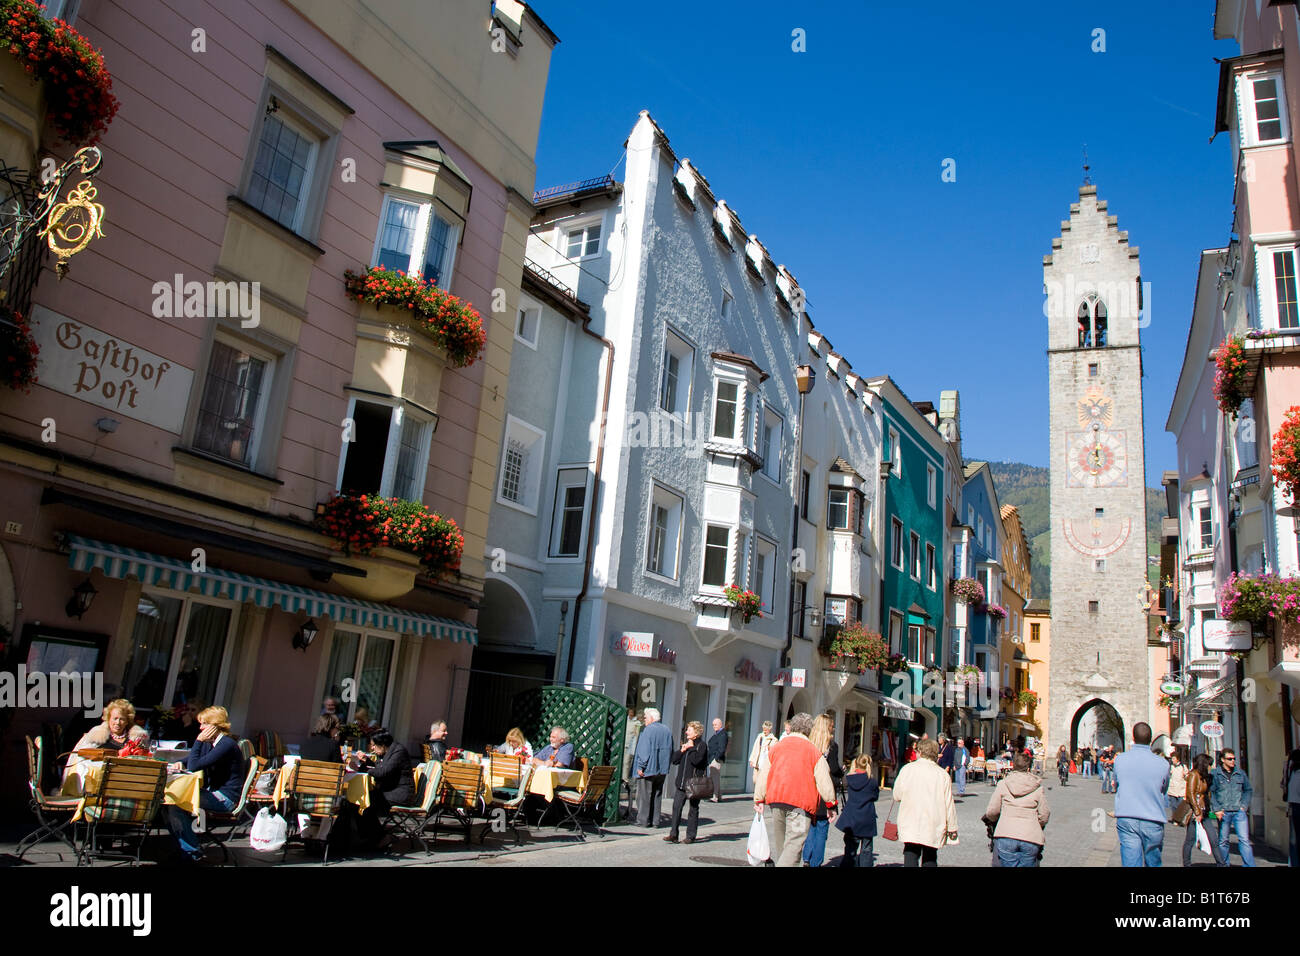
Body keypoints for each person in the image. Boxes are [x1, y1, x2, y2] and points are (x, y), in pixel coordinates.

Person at [164, 706, 246, 863]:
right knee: (166, 803)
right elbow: (191, 760)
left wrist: (198, 741)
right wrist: (180, 763)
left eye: (204, 724)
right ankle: (186, 847)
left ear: (215, 725)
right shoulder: (213, 742)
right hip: (212, 793)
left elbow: (195, 766)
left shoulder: (226, 745)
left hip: (225, 798)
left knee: (176, 803)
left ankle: (192, 852)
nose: (200, 728)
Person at [753, 712, 836, 867]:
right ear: (809, 730)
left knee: (782, 845)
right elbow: (824, 780)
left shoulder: (778, 747)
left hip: (776, 800)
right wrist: (831, 804)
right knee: (794, 846)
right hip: (800, 804)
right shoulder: (813, 751)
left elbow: (764, 773)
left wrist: (759, 798)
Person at [892, 738, 958, 867]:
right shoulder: (942, 775)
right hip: (933, 822)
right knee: (930, 856)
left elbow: (897, 795)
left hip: (911, 819)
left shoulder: (907, 769)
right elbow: (948, 804)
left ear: (920, 752)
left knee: (910, 853)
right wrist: (952, 827)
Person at [1112, 722, 1170, 867]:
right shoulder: (1163, 764)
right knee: (1153, 862)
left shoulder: (1120, 760)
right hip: (1153, 818)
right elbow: (1164, 788)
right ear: (1151, 739)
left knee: (1131, 862)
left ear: (1133, 737)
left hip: (1127, 817)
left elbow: (1116, 783)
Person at [985, 749, 1050, 866]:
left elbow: (992, 811)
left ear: (1013, 766)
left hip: (1006, 834)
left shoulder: (1003, 784)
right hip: (1030, 837)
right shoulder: (1037, 788)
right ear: (1029, 768)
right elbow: (1044, 815)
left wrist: (998, 820)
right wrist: (1035, 823)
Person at [353, 728, 414, 846]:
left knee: (366, 802)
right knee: (361, 800)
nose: (372, 748)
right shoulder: (390, 751)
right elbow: (380, 768)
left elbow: (384, 772)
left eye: (373, 745)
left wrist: (366, 769)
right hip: (391, 790)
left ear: (382, 744)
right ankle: (372, 836)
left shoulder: (398, 751)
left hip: (401, 793)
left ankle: (380, 837)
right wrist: (367, 761)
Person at [801, 714, 843, 866]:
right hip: (824, 791)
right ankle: (816, 862)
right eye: (832, 726)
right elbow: (833, 769)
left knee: (811, 825)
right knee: (821, 828)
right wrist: (841, 771)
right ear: (828, 727)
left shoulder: (809, 744)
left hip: (808, 789)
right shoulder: (831, 746)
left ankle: (806, 857)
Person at [665, 720, 709, 844]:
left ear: (696, 733)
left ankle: (690, 836)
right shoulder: (686, 745)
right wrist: (682, 750)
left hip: (694, 784)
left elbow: (697, 761)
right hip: (681, 783)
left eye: (689, 730)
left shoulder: (702, 746)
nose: (686, 732)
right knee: (676, 807)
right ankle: (673, 834)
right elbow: (674, 760)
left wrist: (691, 749)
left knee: (693, 809)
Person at [1209, 748, 1255, 867]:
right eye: (1230, 759)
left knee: (1244, 840)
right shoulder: (1215, 774)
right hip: (1223, 811)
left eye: (1234, 758)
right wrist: (1217, 809)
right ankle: (1224, 864)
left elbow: (1248, 790)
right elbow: (1211, 792)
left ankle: (1249, 865)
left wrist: (1244, 806)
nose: (1233, 761)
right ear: (1223, 760)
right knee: (1223, 841)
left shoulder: (1240, 773)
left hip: (1238, 811)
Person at [1183, 752, 1226, 867]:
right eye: (1209, 764)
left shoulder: (1205, 776)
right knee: (1190, 840)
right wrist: (1197, 812)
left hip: (1204, 810)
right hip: (1195, 812)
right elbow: (1191, 794)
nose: (1210, 767)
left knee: (1213, 838)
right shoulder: (1194, 775)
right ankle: (1186, 864)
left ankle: (1221, 864)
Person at [836, 753, 879, 867]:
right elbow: (875, 797)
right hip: (867, 817)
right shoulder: (872, 781)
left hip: (852, 817)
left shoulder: (850, 779)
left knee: (850, 848)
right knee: (866, 849)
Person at [634, 708, 672, 827]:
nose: (644, 719)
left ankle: (643, 821)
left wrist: (641, 766)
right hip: (662, 770)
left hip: (649, 769)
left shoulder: (648, 730)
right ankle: (655, 821)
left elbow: (644, 751)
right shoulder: (667, 730)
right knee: (657, 795)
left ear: (651, 718)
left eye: (645, 717)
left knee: (644, 795)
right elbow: (671, 749)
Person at [748, 720, 777, 791]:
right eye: (763, 729)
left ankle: (759, 796)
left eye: (766, 729)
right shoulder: (760, 736)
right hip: (757, 762)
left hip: (765, 763)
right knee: (755, 779)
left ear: (769, 730)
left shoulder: (774, 740)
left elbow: (774, 752)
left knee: (762, 782)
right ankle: (759, 793)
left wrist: (769, 748)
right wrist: (751, 760)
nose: (764, 731)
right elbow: (755, 748)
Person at [1283, 749, 1300, 868]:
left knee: (1294, 839)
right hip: (1296, 804)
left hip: (1292, 805)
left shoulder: (1290, 770)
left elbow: (1283, 785)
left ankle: (1293, 863)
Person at [706, 717, 728, 803]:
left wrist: (715, 758)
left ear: (720, 724)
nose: (714, 726)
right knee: (715, 777)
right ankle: (718, 796)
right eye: (713, 725)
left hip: (716, 759)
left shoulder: (722, 734)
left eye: (715, 724)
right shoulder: (717, 733)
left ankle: (714, 796)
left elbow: (721, 748)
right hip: (713, 758)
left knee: (714, 777)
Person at [1166, 746, 1188, 814]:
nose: (1172, 760)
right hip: (1172, 789)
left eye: (1173, 758)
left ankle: (1179, 818)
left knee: (1180, 805)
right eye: (1172, 758)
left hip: (1181, 790)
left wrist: (1185, 775)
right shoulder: (1170, 767)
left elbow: (1187, 777)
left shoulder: (1183, 767)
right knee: (1173, 806)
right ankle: (1175, 818)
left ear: (1177, 759)